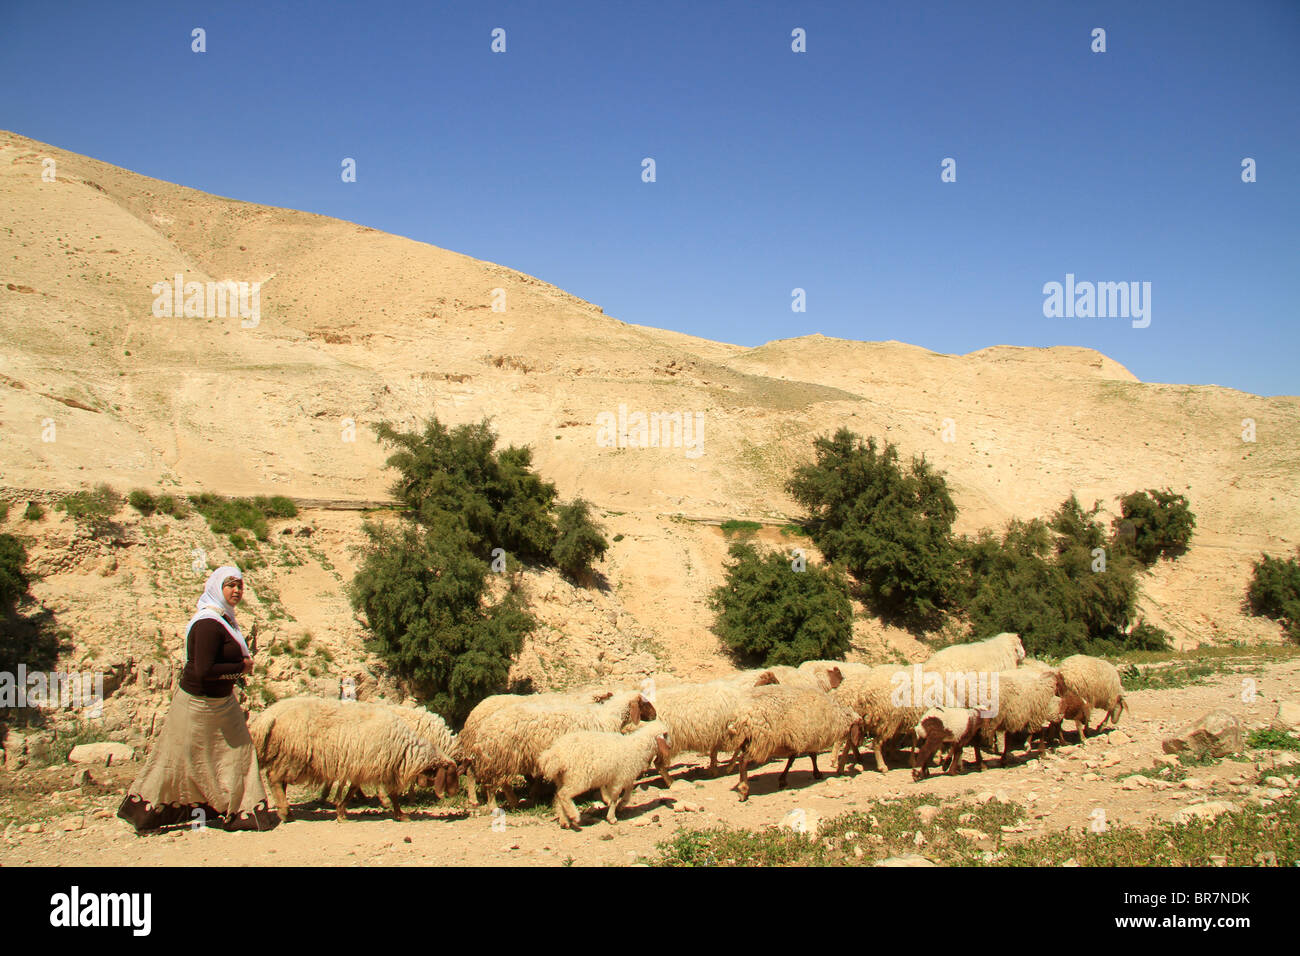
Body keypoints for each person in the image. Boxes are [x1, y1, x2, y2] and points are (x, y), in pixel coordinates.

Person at [117, 565, 279, 832]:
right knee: (174, 759)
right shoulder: (207, 624)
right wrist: (241, 668)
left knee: (241, 753)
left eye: (240, 585)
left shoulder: (225, 619)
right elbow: (202, 671)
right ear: (218, 588)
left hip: (222, 704)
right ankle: (147, 815)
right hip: (196, 704)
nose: (237, 590)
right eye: (231, 585)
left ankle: (242, 811)